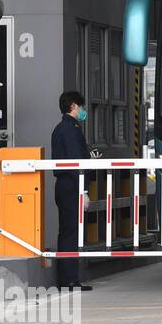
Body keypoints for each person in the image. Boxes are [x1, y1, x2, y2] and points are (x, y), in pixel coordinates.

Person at [51, 90, 92, 291]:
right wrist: (83, 191)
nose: (83, 110)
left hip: (63, 186)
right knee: (71, 233)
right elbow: (77, 161)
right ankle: (70, 280)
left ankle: (66, 278)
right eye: (81, 106)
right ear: (74, 106)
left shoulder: (59, 128)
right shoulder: (72, 129)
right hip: (72, 186)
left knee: (65, 232)